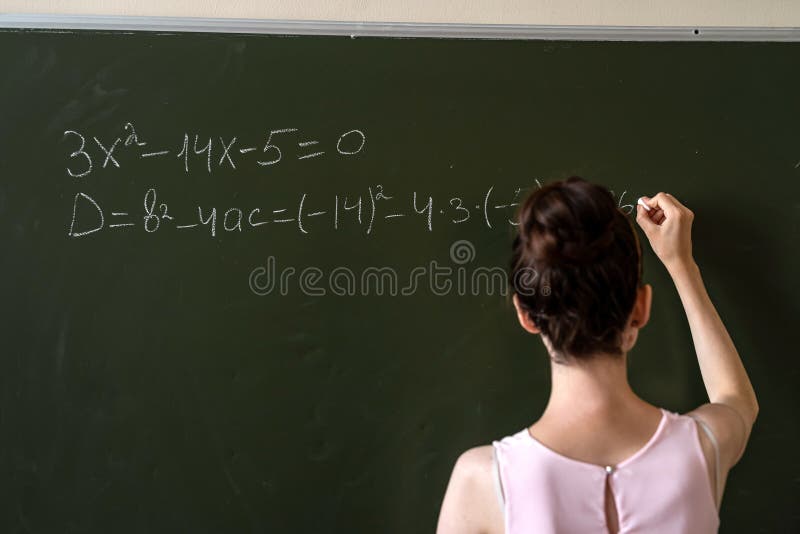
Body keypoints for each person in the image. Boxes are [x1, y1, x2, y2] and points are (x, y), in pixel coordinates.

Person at [436, 177, 758, 533]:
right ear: (641, 308)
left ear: (526, 315)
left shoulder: (482, 480)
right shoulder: (703, 448)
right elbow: (736, 399)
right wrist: (681, 265)